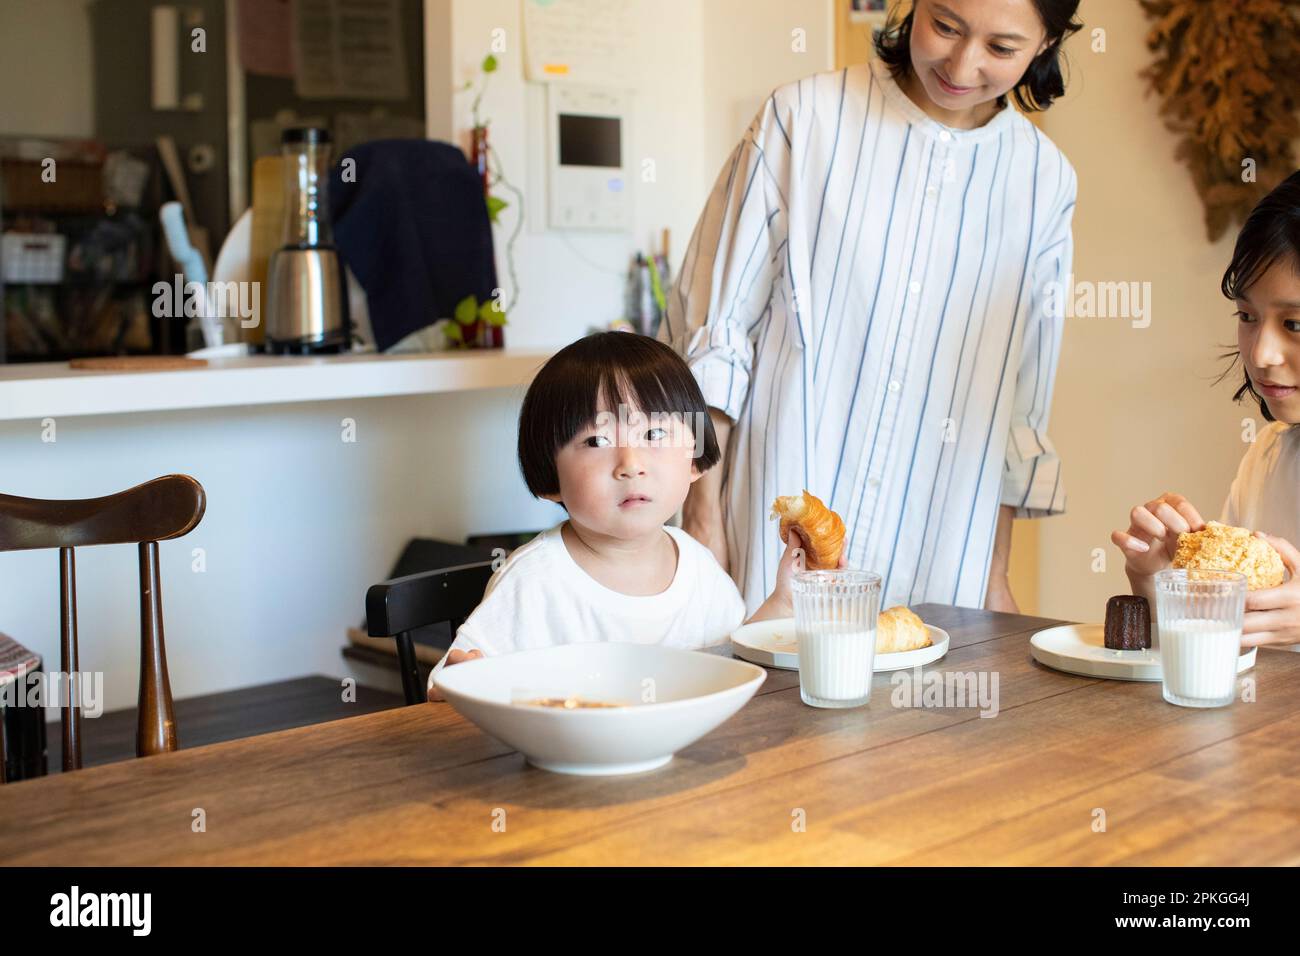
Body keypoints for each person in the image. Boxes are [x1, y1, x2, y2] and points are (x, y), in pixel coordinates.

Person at [662, 0, 1082, 614]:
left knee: (925, 703)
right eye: (945, 26)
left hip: (938, 553)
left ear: (1045, 45)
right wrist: (703, 526)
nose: (962, 65)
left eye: (1001, 48)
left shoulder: (1044, 180)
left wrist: (994, 572)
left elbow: (1020, 401)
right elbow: (716, 334)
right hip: (767, 533)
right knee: (763, 701)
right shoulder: (802, 120)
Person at [427, 332, 836, 700]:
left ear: (695, 460)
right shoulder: (535, 581)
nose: (630, 463)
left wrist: (784, 602)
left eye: (654, 435)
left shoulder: (698, 568)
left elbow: (733, 667)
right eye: (597, 440)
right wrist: (464, 682)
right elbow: (449, 684)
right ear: (550, 475)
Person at [1111, 171, 1300, 651]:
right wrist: (1159, 579)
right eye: (1247, 317)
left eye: (1294, 322)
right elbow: (1216, 645)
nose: (1260, 355)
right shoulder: (1268, 458)